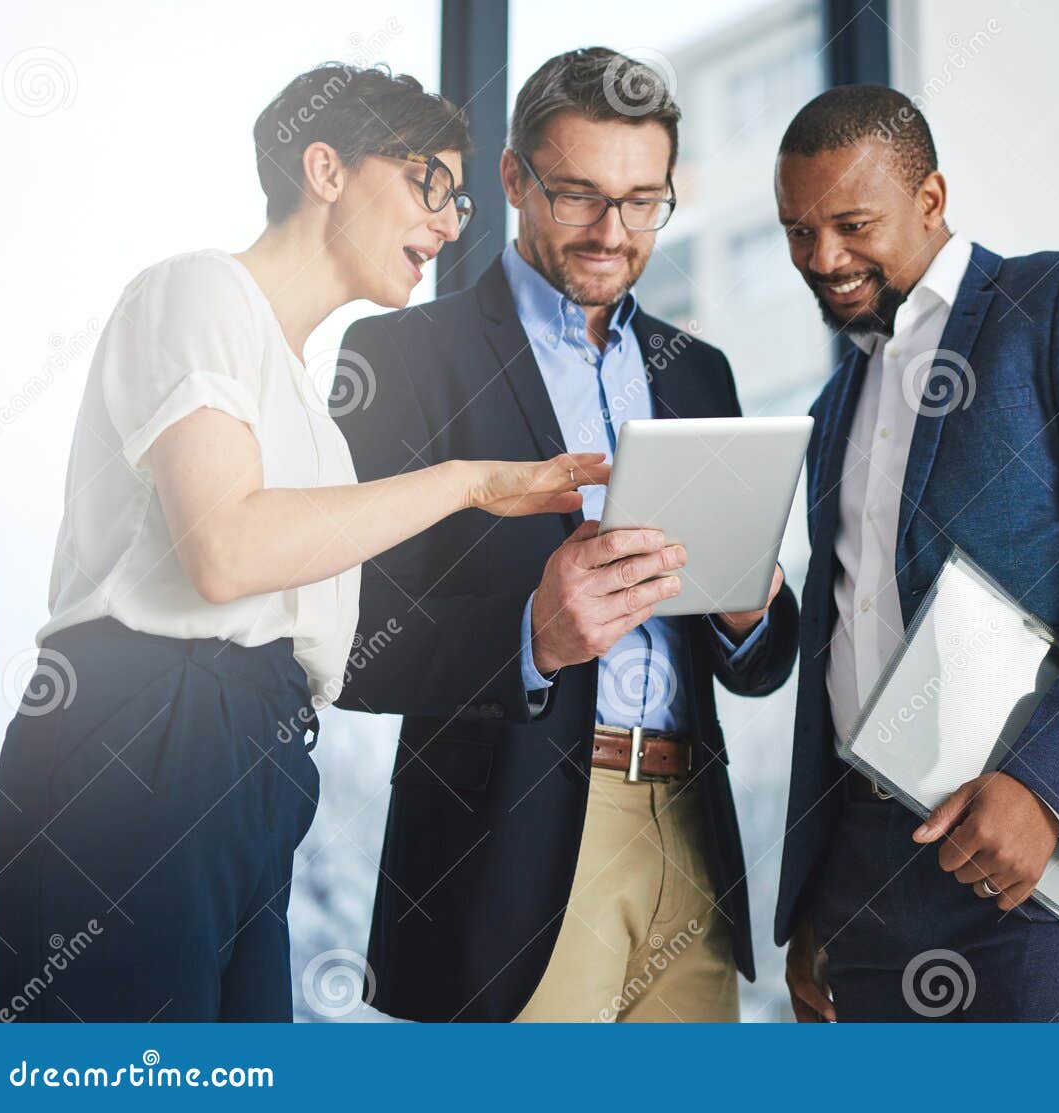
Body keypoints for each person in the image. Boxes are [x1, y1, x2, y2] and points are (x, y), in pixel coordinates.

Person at [0, 64, 604, 1023]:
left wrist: (542, 619)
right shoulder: (196, 291)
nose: (448, 226)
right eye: (428, 185)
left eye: (459, 201)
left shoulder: (310, 413)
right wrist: (466, 482)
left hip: (259, 755)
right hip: (146, 730)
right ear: (325, 167)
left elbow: (350, 632)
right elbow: (226, 548)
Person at [331, 47, 798, 1023]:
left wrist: (752, 603)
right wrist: (530, 636)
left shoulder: (695, 372)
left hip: (689, 842)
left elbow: (760, 667)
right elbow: (347, 637)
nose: (612, 233)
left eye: (641, 202)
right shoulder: (404, 357)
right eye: (579, 197)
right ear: (513, 181)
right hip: (510, 852)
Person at [772, 86, 1059, 1022]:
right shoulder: (832, 404)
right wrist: (815, 898)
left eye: (852, 225)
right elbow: (839, 634)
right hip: (866, 889)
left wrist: (1046, 788)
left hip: (1045, 860)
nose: (824, 259)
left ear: (931, 198)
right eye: (797, 232)